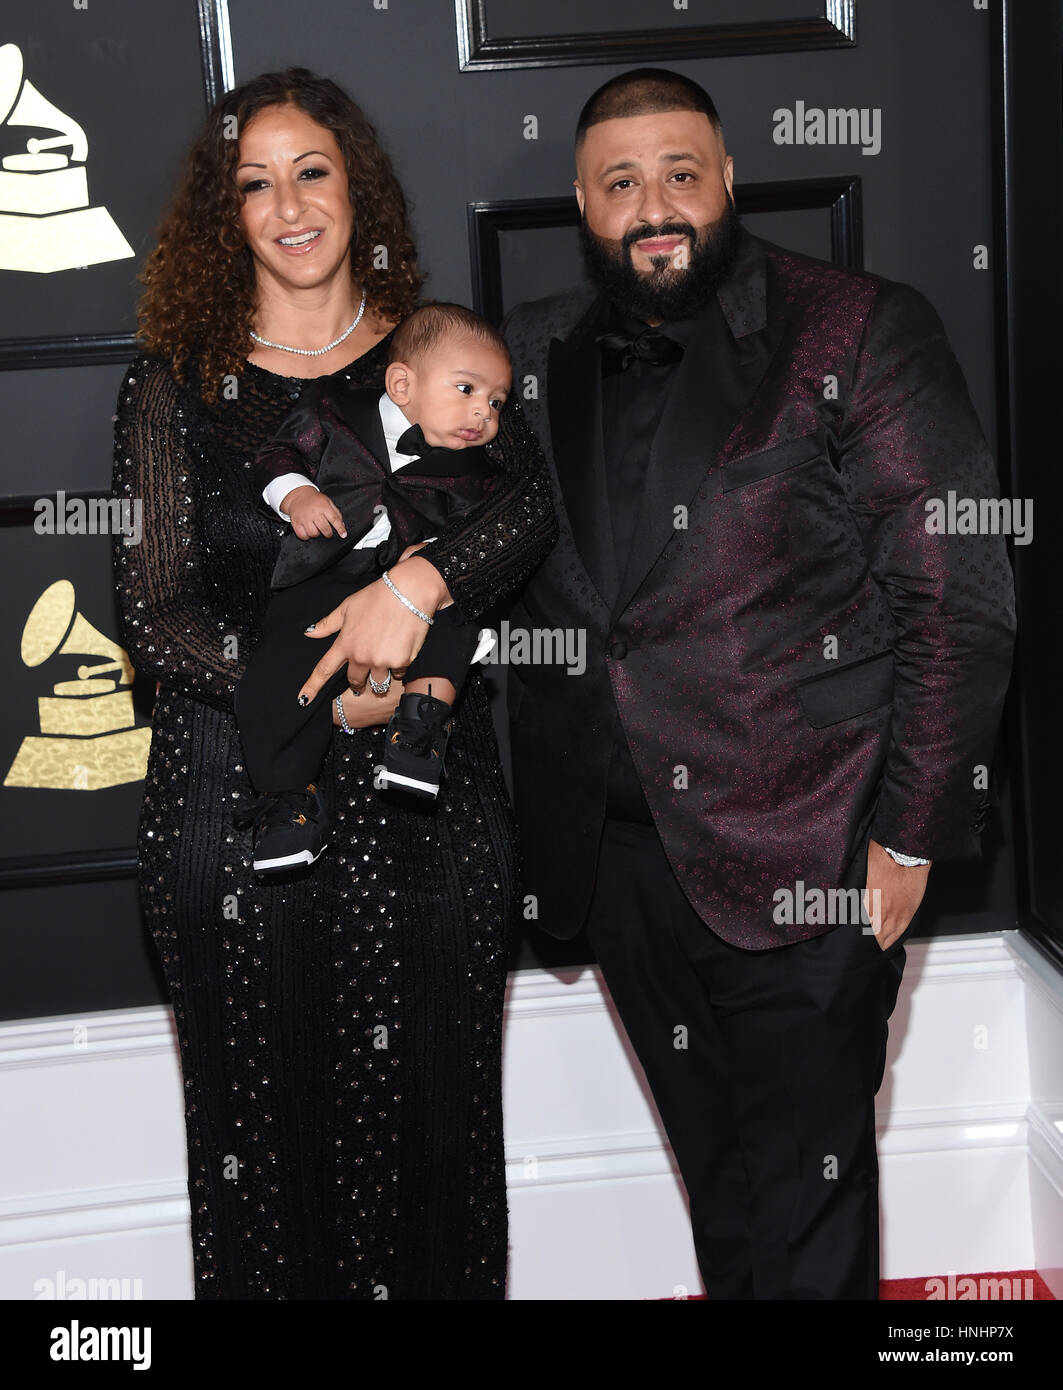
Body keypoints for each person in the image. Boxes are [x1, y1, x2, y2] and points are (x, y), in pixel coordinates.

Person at [498, 68, 1016, 1299]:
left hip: (815, 847)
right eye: (621, 182)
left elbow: (962, 595)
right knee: (724, 1188)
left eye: (680, 171)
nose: (654, 202)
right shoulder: (524, 357)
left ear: (728, 177)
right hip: (619, 864)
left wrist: (912, 831)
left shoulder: (854, 327)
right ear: (582, 204)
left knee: (804, 1201)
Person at [111, 66, 556, 1299]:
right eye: (254, 182)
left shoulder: (436, 359)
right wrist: (320, 682)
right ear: (224, 214)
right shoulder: (176, 388)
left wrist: (410, 594)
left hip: (427, 808)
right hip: (235, 803)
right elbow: (156, 612)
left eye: (313, 170)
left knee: (436, 1140)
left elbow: (524, 509)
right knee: (267, 1152)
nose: (290, 204)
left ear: (357, 189)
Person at [234, 302, 512, 872]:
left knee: (452, 615)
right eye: (467, 389)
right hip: (320, 575)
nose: (483, 412)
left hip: (405, 593)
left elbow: (481, 538)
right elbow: (276, 455)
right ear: (402, 382)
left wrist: (437, 561)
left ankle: (417, 737)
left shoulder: (475, 470)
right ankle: (289, 802)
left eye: (496, 403)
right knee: (275, 675)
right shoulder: (334, 412)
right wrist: (297, 495)